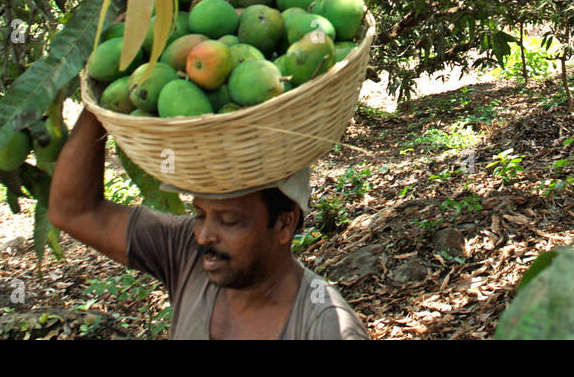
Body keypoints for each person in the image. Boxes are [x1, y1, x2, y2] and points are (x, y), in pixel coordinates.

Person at [48, 108, 368, 339]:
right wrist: (101, 104)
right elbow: (73, 211)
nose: (202, 235)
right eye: (199, 214)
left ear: (284, 224)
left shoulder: (323, 326)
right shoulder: (187, 253)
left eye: (229, 221)